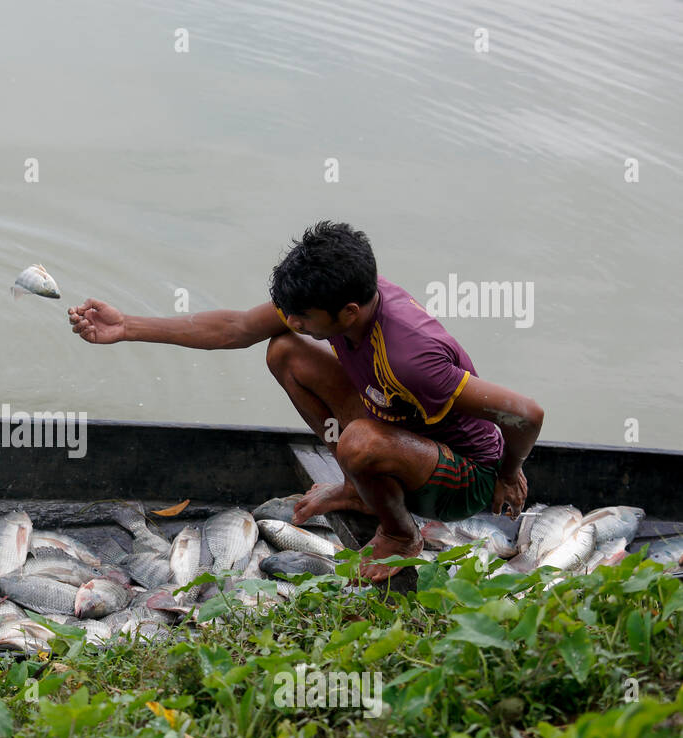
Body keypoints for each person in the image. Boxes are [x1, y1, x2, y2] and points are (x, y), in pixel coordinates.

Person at [67, 221, 544, 582]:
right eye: (290, 312)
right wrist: (126, 326)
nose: (295, 320)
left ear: (348, 312)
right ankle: (365, 488)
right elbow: (236, 329)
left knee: (358, 442)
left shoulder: (411, 357)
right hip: (399, 425)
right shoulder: (339, 296)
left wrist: (506, 472)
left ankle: (401, 534)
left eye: (304, 317)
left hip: (464, 474)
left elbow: (525, 413)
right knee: (285, 352)